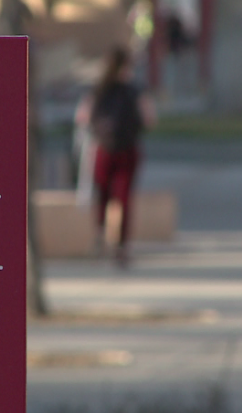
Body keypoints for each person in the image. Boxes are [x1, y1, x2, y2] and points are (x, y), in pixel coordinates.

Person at [75, 47, 157, 266]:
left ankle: (101, 238)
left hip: (104, 148)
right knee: (123, 198)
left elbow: (82, 116)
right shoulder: (133, 90)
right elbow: (149, 118)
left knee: (103, 195)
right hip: (127, 149)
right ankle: (121, 245)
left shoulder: (99, 89)